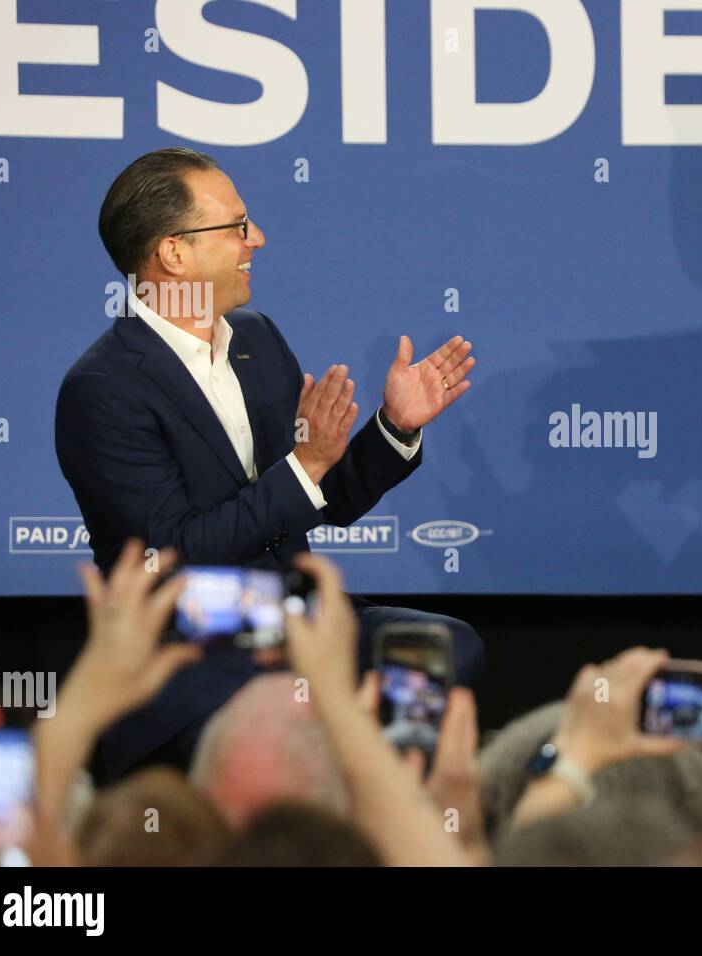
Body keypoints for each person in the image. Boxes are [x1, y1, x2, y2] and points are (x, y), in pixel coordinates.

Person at [55, 148, 484, 782]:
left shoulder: (256, 339)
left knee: (445, 648)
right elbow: (175, 554)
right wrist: (304, 465)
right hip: (194, 646)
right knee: (285, 724)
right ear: (174, 254)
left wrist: (393, 426)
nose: (257, 239)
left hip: (295, 619)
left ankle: (378, 809)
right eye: (236, 226)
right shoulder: (103, 388)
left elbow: (323, 498)